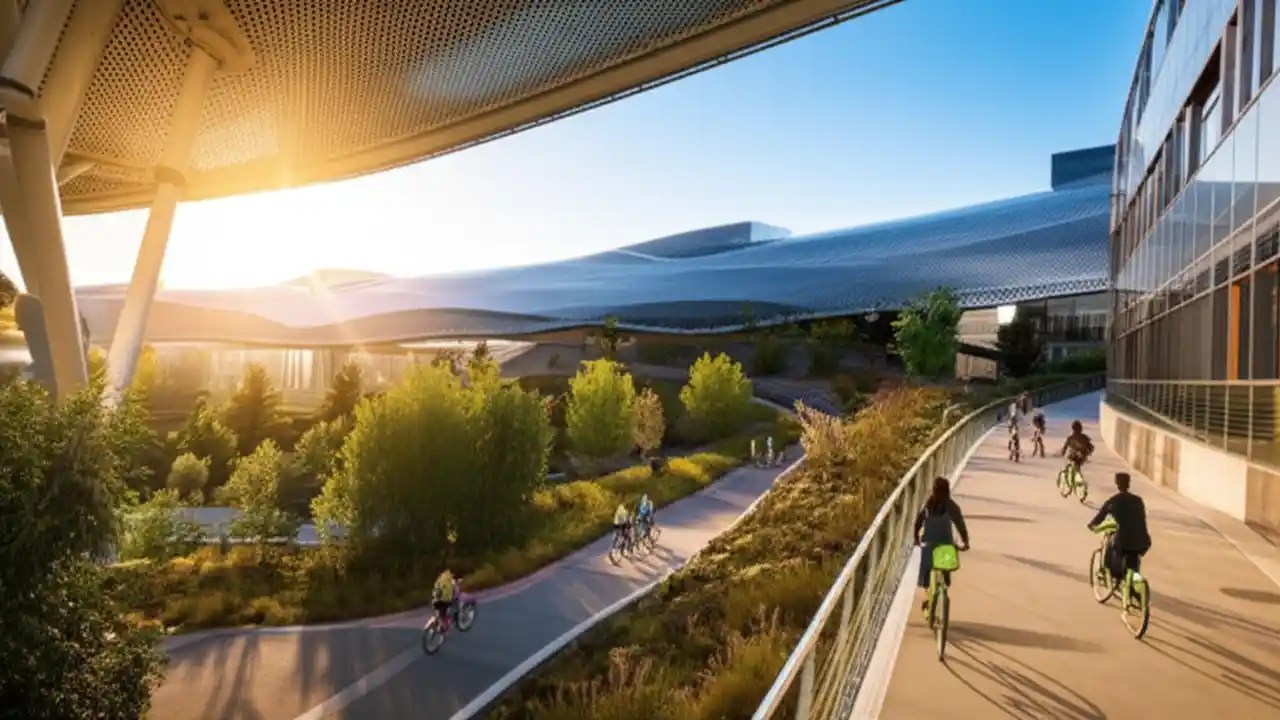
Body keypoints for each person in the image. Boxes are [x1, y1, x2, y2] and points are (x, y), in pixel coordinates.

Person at [1087, 472, 1152, 592]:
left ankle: (1112, 574)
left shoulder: (1114, 501)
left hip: (1124, 540)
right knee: (1134, 563)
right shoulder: (1138, 500)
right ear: (1129, 483)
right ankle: (1135, 583)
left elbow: (1100, 516)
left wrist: (1092, 525)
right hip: (1143, 540)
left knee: (1111, 548)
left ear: (1117, 484)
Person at [913, 476, 970, 611]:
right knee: (945, 573)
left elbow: (918, 522)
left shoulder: (928, 505)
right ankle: (942, 590)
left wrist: (916, 538)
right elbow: (960, 525)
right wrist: (965, 541)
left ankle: (928, 597)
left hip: (929, 548)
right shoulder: (951, 506)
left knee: (927, 576)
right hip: (946, 547)